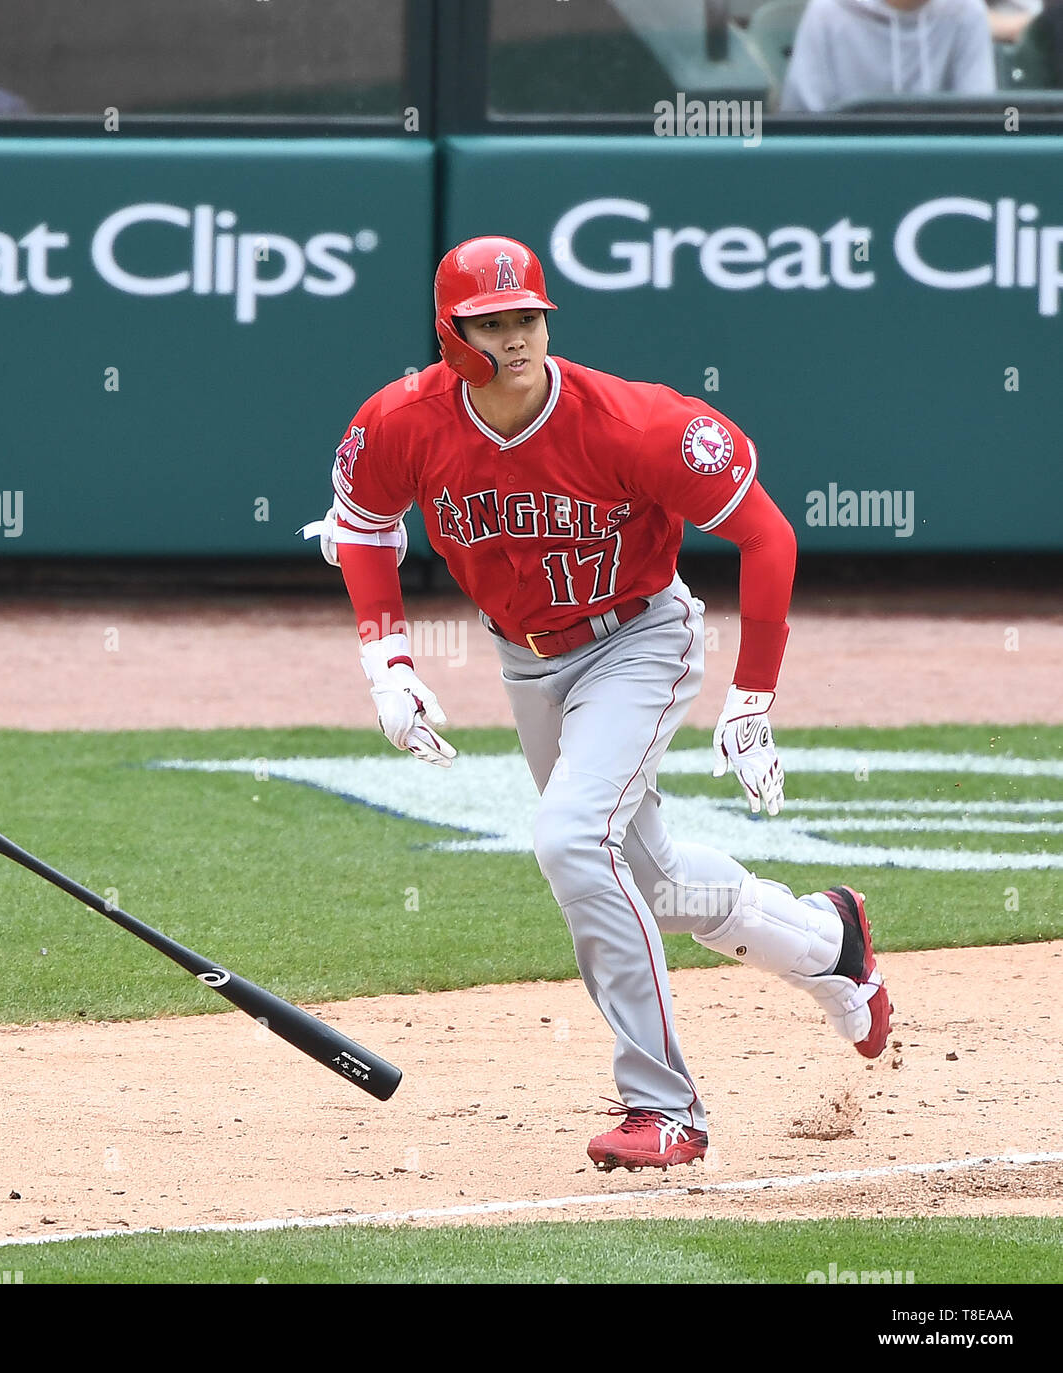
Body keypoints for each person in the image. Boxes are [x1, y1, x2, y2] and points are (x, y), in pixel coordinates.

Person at [306, 236, 892, 1173]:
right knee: (652, 879)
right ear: (451, 337)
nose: (517, 338)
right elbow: (363, 524)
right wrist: (389, 661)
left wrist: (751, 698)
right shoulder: (401, 422)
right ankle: (831, 942)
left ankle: (665, 1106)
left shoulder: (633, 423)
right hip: (526, 662)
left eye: (528, 318)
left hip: (640, 639)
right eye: (490, 324)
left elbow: (768, 536)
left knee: (572, 839)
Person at [781, 0, 995, 112]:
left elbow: (978, 114)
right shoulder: (827, 12)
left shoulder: (967, 11)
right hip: (843, 169)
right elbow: (803, 119)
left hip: (941, 171)